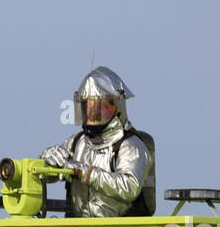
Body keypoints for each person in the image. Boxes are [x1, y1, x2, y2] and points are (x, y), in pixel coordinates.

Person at [40, 66, 155, 218]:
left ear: (118, 107)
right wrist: (47, 161)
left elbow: (129, 188)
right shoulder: (76, 142)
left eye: (100, 109)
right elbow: (49, 176)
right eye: (87, 108)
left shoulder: (131, 146)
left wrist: (85, 173)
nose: (92, 116)